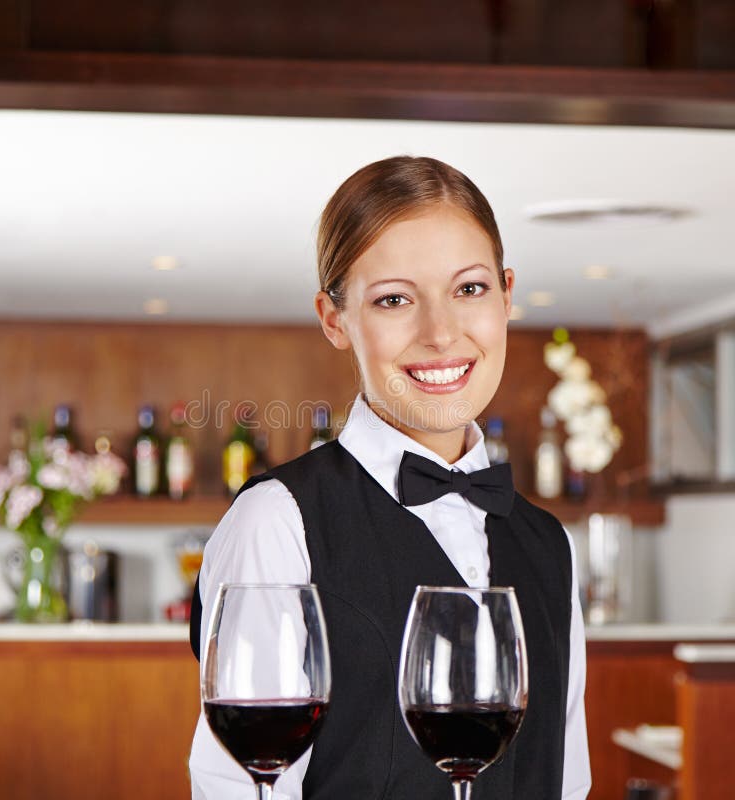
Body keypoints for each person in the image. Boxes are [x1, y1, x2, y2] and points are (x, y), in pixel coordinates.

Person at [188, 156, 591, 799]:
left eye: (469, 289)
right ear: (335, 318)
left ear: (508, 294)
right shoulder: (279, 520)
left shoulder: (552, 545)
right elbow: (240, 787)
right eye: (394, 299)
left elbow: (566, 782)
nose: (440, 334)